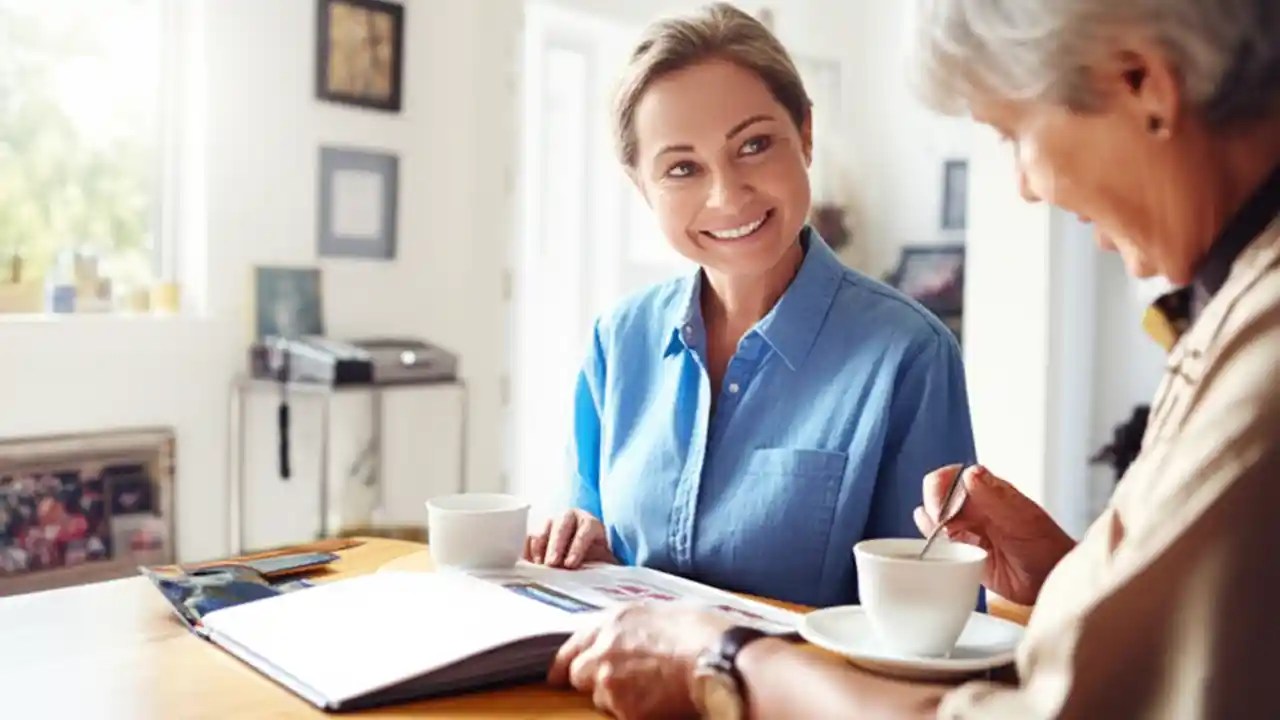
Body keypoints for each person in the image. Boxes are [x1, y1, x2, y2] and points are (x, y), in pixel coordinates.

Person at [547, 0, 1280, 717]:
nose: (1025, 187)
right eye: (680, 167)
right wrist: (1062, 573)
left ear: (1143, 85)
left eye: (1013, 133)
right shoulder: (619, 337)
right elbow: (1193, 640)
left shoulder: (1258, 355)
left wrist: (727, 660)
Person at [522, 2, 976, 608]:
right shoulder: (617, 341)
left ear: (806, 135)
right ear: (641, 187)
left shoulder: (909, 356)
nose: (727, 194)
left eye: (755, 145)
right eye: (682, 168)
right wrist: (579, 541)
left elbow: (929, 627)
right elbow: (589, 535)